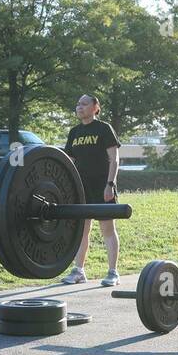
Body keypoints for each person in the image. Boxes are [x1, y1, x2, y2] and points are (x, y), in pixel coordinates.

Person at [60, 94, 122, 286]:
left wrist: (110, 184)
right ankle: (79, 271)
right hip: (81, 189)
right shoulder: (74, 132)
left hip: (103, 187)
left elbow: (115, 159)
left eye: (84, 104)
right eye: (78, 103)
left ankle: (113, 272)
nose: (80, 107)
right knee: (82, 231)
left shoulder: (104, 129)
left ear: (96, 107)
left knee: (107, 230)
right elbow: (69, 163)